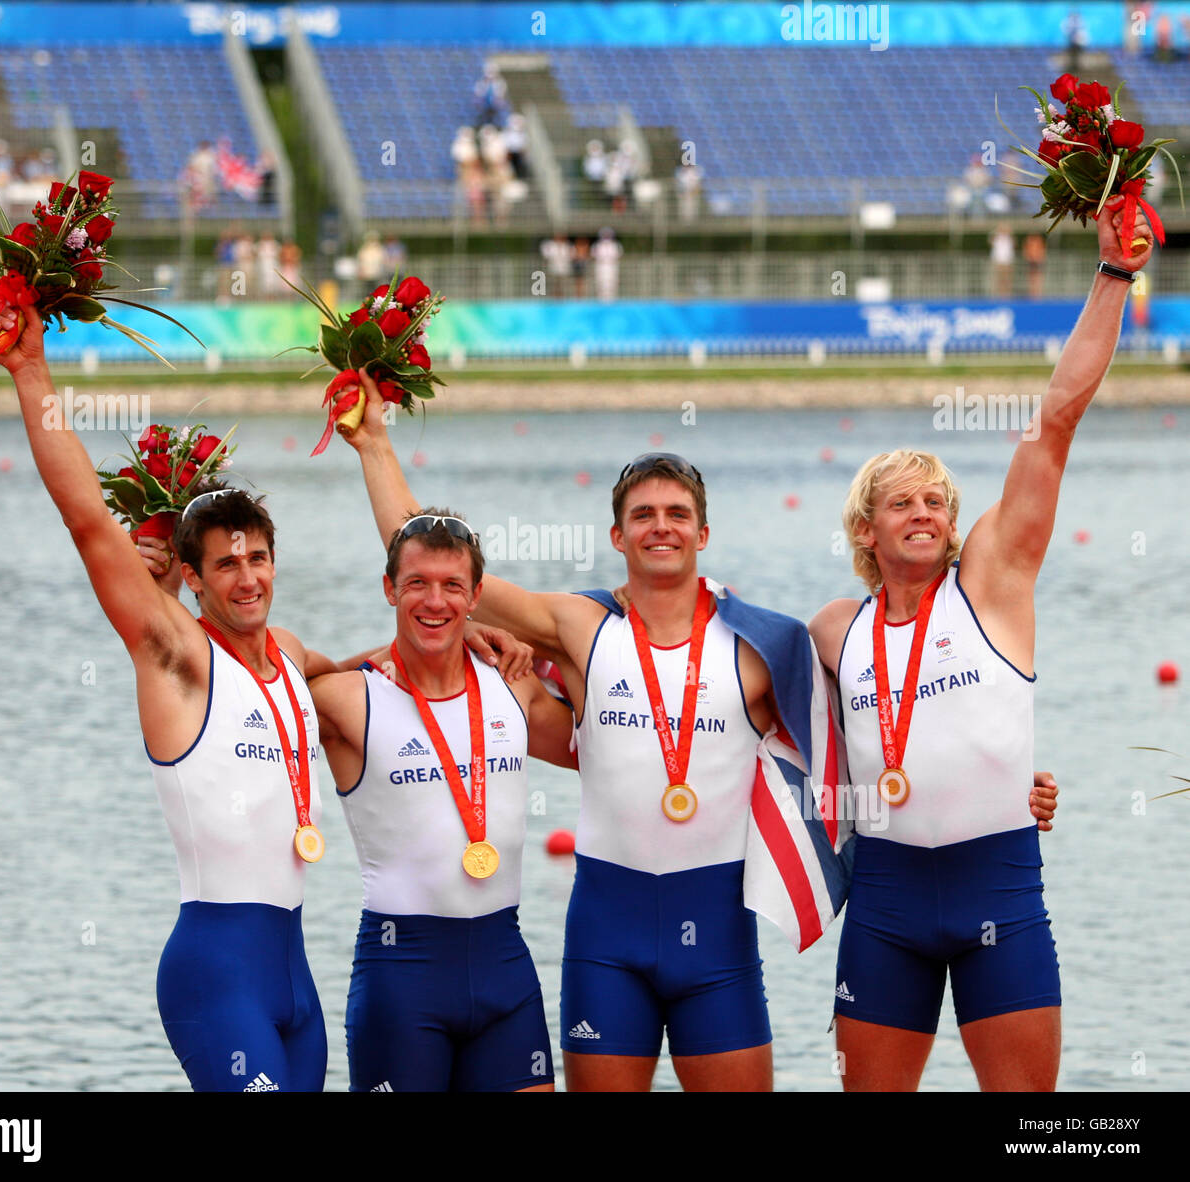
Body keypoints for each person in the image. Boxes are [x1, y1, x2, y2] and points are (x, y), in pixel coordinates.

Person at [0, 304, 531, 1091]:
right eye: (226, 565)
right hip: (215, 976)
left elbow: (368, 664)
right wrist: (32, 372)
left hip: (293, 979)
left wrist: (458, 636)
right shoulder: (176, 654)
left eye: (259, 559)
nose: (247, 578)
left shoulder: (288, 658)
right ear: (196, 579)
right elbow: (87, 525)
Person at [339, 373, 851, 1092]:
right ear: (618, 534)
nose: (661, 526)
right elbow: (434, 561)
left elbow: (872, 732)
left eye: (677, 513)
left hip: (719, 946)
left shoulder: (758, 649)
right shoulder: (582, 630)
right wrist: (374, 445)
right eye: (643, 514)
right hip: (605, 943)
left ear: (703, 533)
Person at [807, 196, 1151, 1091]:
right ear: (866, 530)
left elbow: (1056, 421)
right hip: (882, 903)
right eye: (901, 502)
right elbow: (713, 686)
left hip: (998, 888)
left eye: (936, 501)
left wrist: (1113, 274)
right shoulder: (834, 631)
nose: (923, 512)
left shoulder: (991, 584)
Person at [300, 509, 578, 1091]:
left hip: (506, 970)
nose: (435, 601)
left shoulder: (512, 682)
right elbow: (252, 680)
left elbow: (603, 749)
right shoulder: (348, 699)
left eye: (453, 586)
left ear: (476, 594)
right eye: (417, 585)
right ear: (388, 589)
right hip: (403, 979)